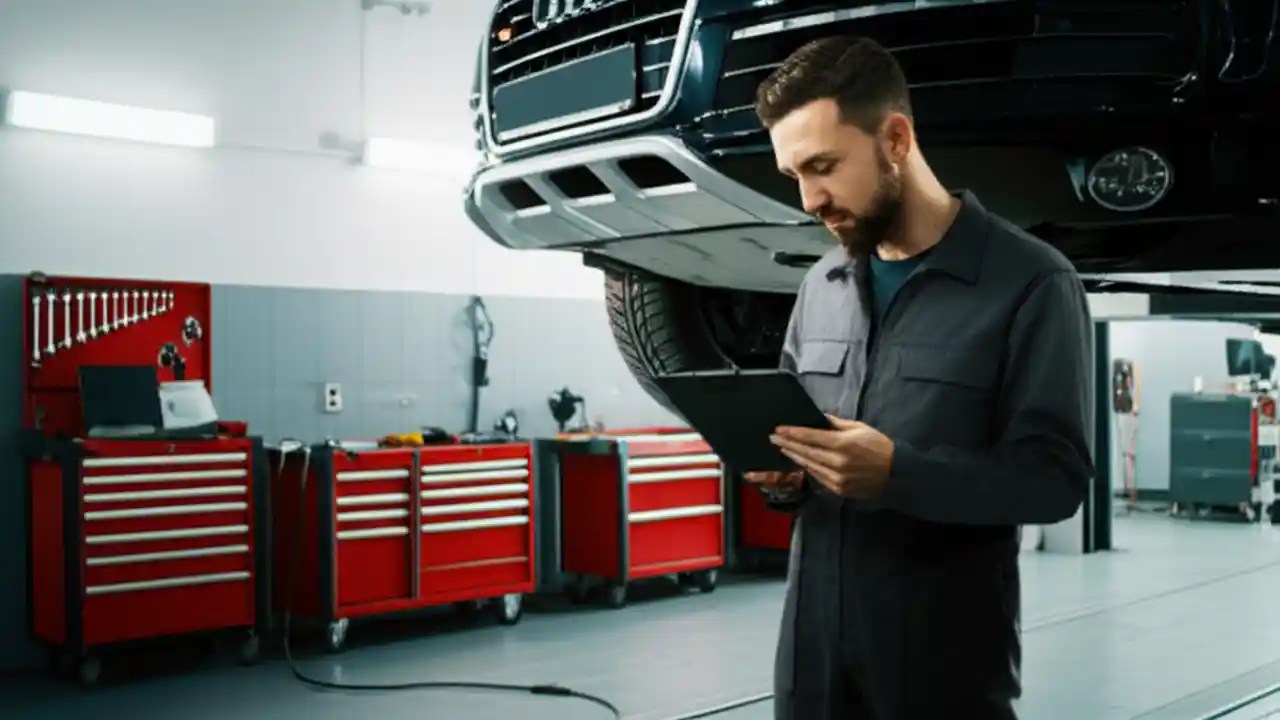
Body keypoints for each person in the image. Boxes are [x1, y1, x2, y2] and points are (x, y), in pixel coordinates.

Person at [742, 35, 1095, 720]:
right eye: (795, 177)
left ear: (896, 138)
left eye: (824, 166)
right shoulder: (822, 283)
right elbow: (790, 428)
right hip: (812, 656)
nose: (811, 199)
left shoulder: (1030, 281)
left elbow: (1055, 481)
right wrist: (780, 478)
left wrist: (897, 473)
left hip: (943, 665)